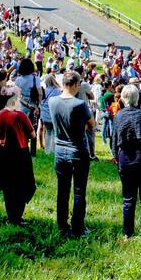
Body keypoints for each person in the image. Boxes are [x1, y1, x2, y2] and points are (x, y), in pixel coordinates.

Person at [50, 70, 94, 236]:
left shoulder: (53, 101)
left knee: (62, 190)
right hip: (78, 151)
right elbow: (92, 123)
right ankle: (78, 227)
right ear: (75, 85)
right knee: (79, 191)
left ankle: (62, 225)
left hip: (60, 149)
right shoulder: (79, 104)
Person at [114, 82, 141, 238]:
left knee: (128, 198)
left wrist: (117, 160)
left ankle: (128, 233)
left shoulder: (118, 116)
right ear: (137, 98)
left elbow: (114, 141)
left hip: (125, 159)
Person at [0, 85, 37, 226]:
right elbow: (32, 134)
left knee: (8, 186)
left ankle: (11, 216)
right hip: (20, 153)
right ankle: (17, 217)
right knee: (22, 185)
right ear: (14, 99)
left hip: (3, 153)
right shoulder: (20, 115)